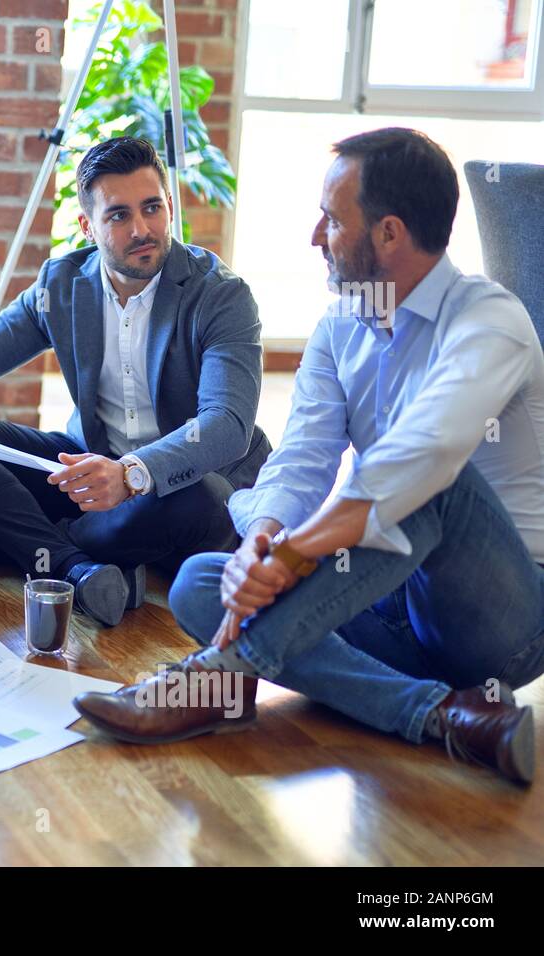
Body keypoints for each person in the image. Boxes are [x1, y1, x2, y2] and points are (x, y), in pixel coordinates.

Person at [74, 128, 544, 785]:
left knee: (437, 481)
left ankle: (220, 675)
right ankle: (449, 718)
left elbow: (422, 459)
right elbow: (304, 458)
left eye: (330, 219)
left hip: (500, 618)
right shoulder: (339, 328)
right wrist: (263, 545)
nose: (315, 237)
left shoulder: (491, 322)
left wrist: (298, 556)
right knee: (204, 583)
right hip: (386, 603)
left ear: (388, 234)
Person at [0, 136, 270, 627]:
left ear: (168, 206)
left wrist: (130, 474)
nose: (142, 229)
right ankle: (75, 565)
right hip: (87, 471)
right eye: (118, 215)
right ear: (87, 225)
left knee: (198, 499)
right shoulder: (63, 283)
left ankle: (12, 540)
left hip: (185, 485)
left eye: (152, 208)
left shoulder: (220, 294)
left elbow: (226, 425)